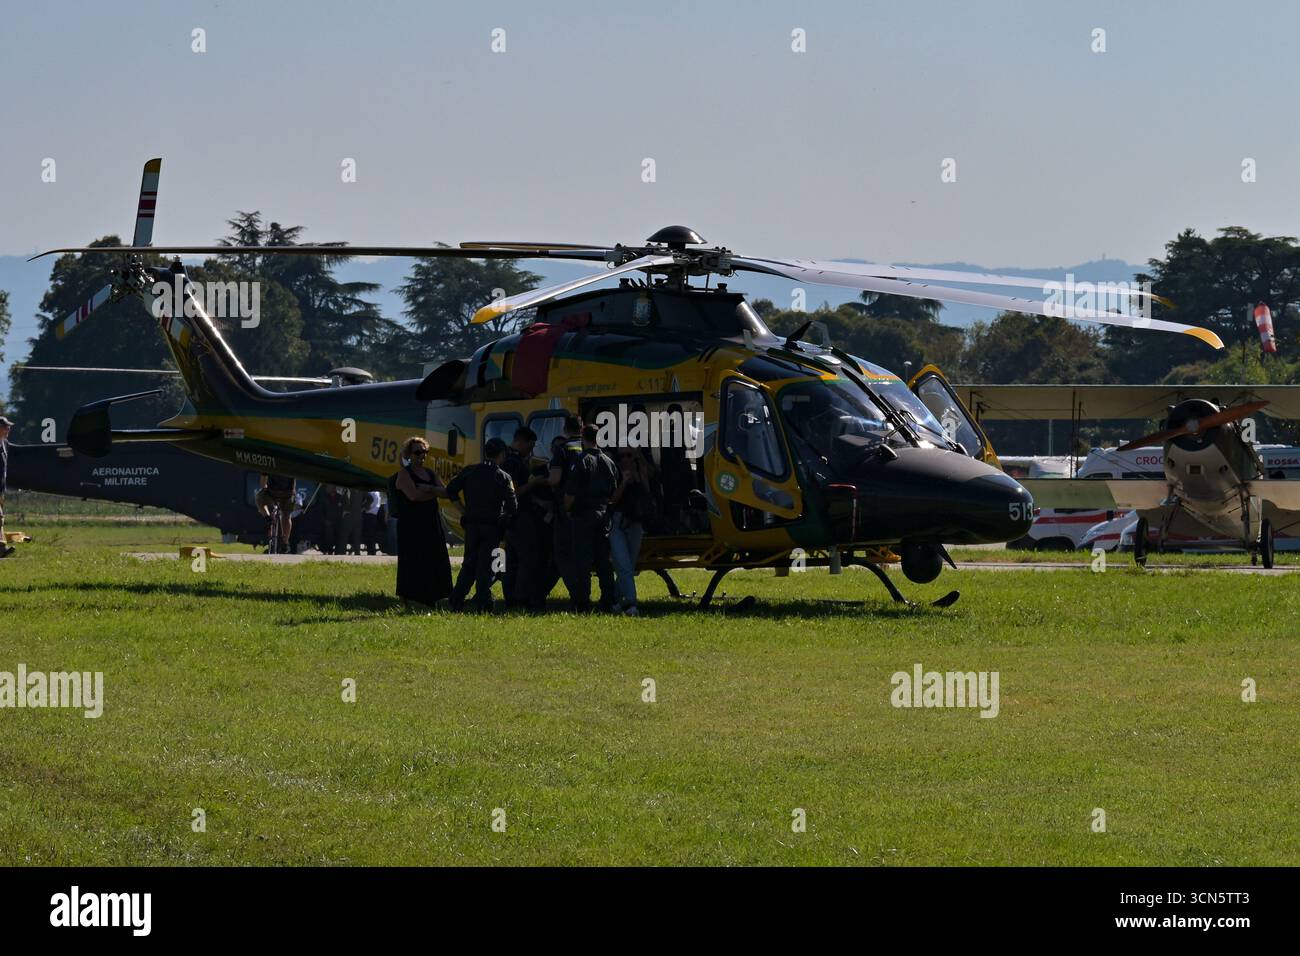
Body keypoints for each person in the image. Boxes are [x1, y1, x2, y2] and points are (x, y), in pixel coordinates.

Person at [441, 437, 517, 612]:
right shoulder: (503, 476)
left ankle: (456, 599)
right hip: (491, 526)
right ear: (502, 455)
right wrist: (503, 520)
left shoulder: (469, 471)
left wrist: (462, 510)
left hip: (472, 525)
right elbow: (513, 507)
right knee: (487, 565)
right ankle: (483, 602)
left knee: (469, 563)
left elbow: (450, 490)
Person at [561, 424, 619, 612]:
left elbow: (570, 493)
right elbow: (613, 491)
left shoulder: (581, 460)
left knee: (582, 561)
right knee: (604, 560)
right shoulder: (608, 461)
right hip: (603, 515)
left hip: (582, 515)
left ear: (582, 438)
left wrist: (567, 510)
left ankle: (582, 603)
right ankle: (608, 600)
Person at [393, 437, 454, 609]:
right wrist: (433, 493)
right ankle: (409, 596)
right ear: (409, 455)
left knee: (434, 557)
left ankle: (434, 595)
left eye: (424, 452)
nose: (422, 456)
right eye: (418, 452)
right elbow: (413, 496)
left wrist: (430, 489)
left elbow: (445, 492)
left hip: (430, 522)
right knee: (412, 560)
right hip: (411, 525)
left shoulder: (430, 473)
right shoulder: (404, 474)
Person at [500, 427, 549, 609]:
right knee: (526, 560)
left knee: (512, 561)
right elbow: (514, 492)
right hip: (520, 518)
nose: (531, 450)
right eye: (531, 445)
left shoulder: (511, 460)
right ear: (522, 442)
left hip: (512, 519)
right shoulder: (513, 463)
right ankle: (521, 599)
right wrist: (534, 483)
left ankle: (512, 598)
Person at [608, 448, 652, 615]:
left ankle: (616, 600)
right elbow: (611, 500)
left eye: (629, 455)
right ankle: (631, 604)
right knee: (623, 564)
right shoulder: (614, 472)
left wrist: (640, 472)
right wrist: (624, 482)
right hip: (618, 522)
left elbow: (647, 494)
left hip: (635, 523)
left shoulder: (640, 473)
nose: (625, 459)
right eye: (622, 456)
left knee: (628, 564)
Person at [256, 472, 297, 548]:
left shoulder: (270, 462)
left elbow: (262, 484)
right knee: (287, 516)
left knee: (259, 498)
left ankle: (267, 517)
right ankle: (285, 543)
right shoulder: (291, 464)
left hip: (272, 494)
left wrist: (265, 487)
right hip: (288, 494)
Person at [0, 415, 13, 558]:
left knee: (1, 519)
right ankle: (2, 548)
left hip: (1, 488)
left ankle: (2, 548)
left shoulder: (4, 443)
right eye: (5, 426)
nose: (8, 428)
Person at [361, 490, 383, 555]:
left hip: (369, 515)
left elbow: (370, 500)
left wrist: (363, 508)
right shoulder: (378, 493)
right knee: (371, 535)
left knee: (369, 535)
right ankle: (372, 551)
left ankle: (371, 551)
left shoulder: (371, 493)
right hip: (374, 515)